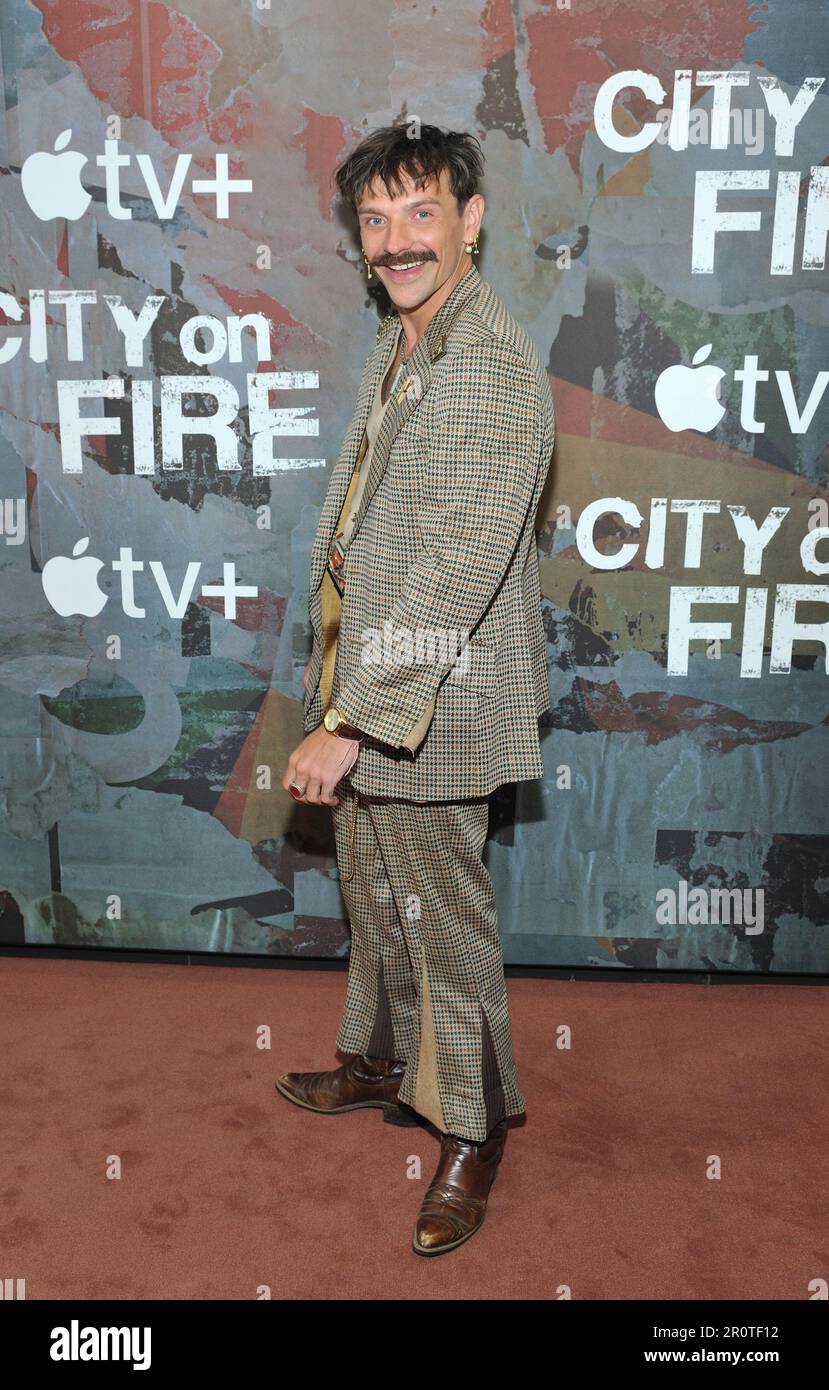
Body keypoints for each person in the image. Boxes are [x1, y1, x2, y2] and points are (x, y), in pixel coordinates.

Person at [279, 123, 555, 1257]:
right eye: (376, 220)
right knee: (375, 887)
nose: (396, 242)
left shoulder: (486, 366)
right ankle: (386, 1062)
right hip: (379, 676)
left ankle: (474, 1128)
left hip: (432, 698)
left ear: (471, 217)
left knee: (441, 922)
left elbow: (453, 568)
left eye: (420, 213)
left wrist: (351, 721)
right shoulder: (409, 335)